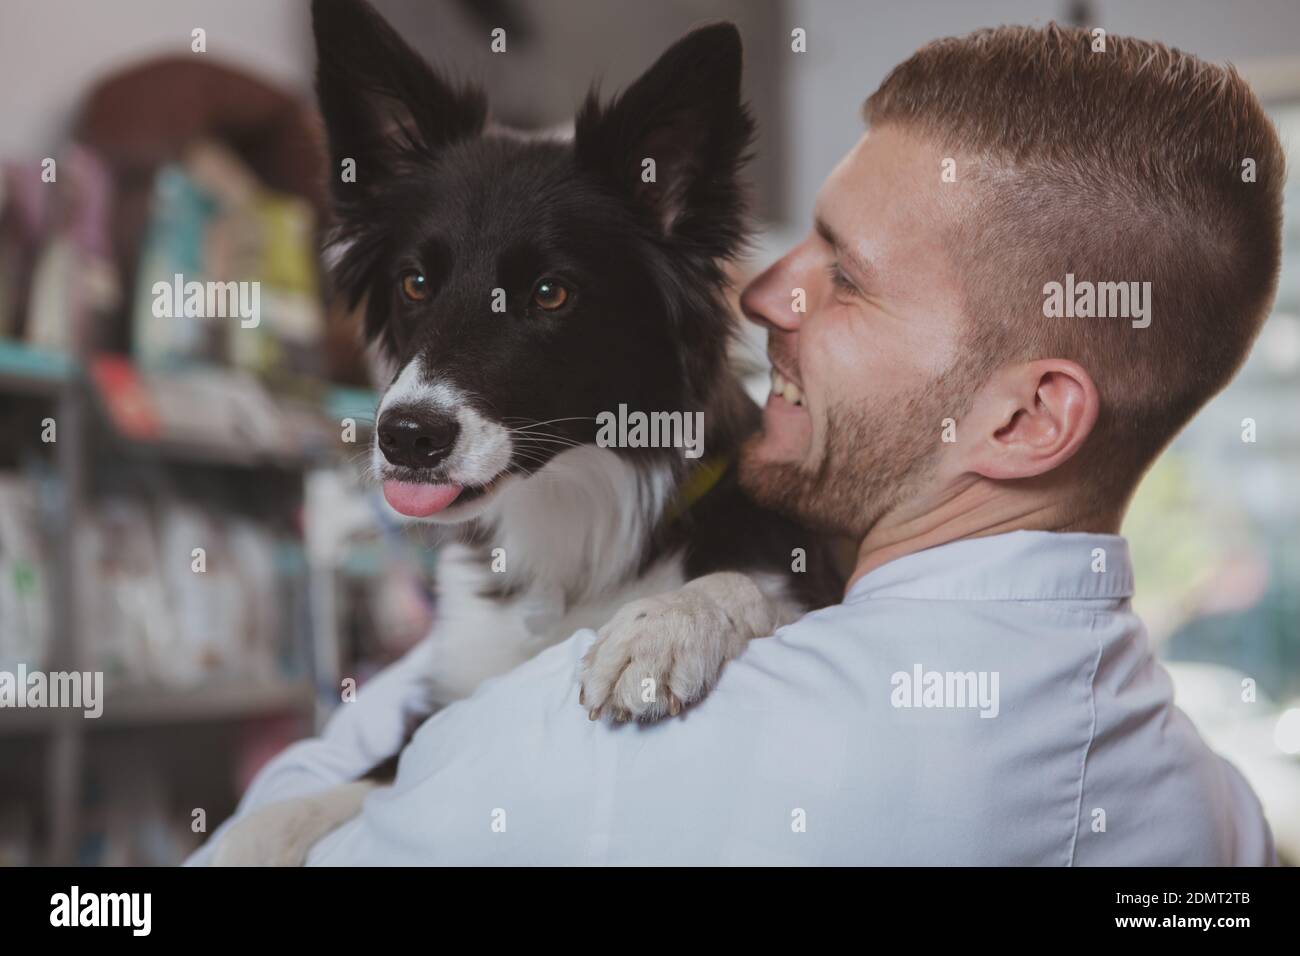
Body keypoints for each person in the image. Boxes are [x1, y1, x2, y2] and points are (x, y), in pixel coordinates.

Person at [189, 23, 1283, 865]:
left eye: (844, 277)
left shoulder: (619, 753)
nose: (762, 293)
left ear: (1026, 417)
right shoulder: (1209, 802)